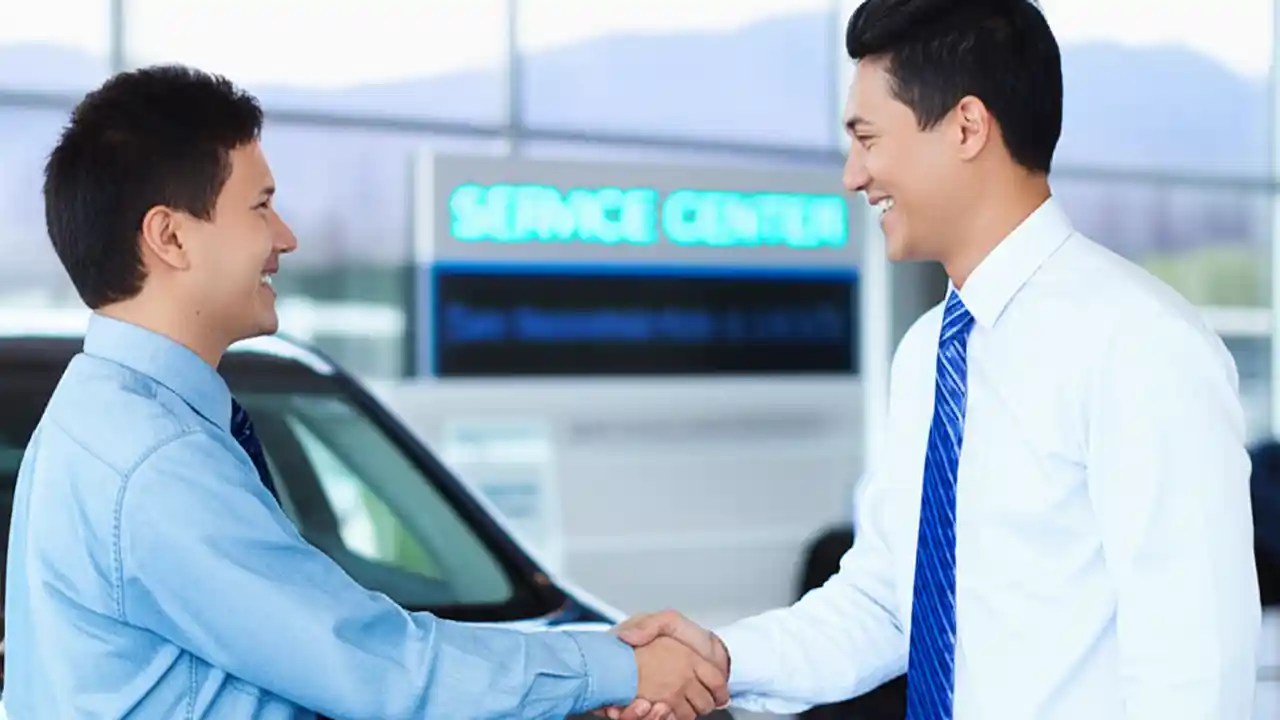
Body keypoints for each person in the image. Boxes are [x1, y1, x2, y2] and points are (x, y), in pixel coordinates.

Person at [2, 65, 727, 720]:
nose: (285, 238)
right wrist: (612, 668)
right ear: (170, 237)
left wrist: (576, 687)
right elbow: (369, 665)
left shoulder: (96, 418)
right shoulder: (156, 459)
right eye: (260, 207)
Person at [605, 0, 1261, 718]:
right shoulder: (929, 353)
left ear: (967, 127)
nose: (853, 175)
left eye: (868, 139)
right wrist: (721, 660)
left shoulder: (1138, 343)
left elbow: (1195, 672)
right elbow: (889, 606)